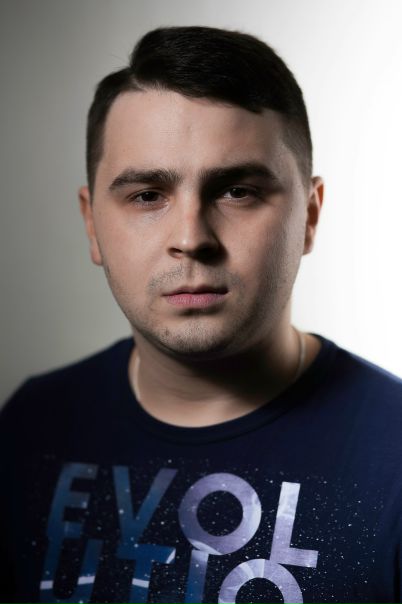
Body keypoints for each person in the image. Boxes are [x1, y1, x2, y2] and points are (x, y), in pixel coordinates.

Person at [1, 25, 401, 604]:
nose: (191, 238)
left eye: (237, 191)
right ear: (92, 224)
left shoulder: (392, 454)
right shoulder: (29, 427)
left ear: (310, 217)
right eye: (147, 195)